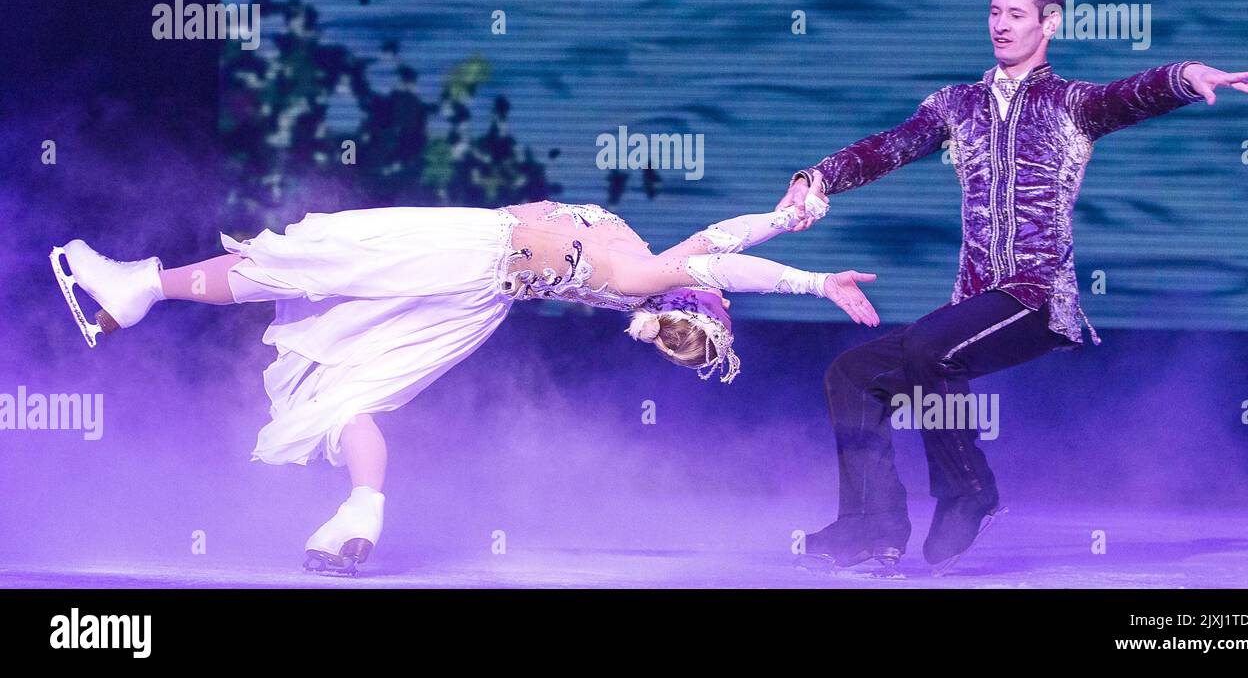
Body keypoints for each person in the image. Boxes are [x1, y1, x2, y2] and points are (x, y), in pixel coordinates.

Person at [51, 197, 874, 574]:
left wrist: (799, 251)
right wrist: (799, 249)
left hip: (466, 254)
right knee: (353, 391)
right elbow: (719, 254)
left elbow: (715, 252)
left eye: (714, 298)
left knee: (313, 255)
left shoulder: (639, 272)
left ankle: (144, 285)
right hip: (478, 298)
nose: (720, 290)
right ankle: (358, 511)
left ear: (688, 297)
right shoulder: (645, 275)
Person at [776, 0, 1248, 576]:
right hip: (974, 302)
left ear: (1049, 22)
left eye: (1016, 14)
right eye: (994, 12)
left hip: (1035, 299)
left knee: (930, 344)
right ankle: (871, 527)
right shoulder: (958, 105)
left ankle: (969, 491)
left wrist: (1185, 77)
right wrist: (818, 177)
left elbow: (1131, 94)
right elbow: (891, 145)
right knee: (850, 374)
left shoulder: (1070, 104)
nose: (1001, 25)